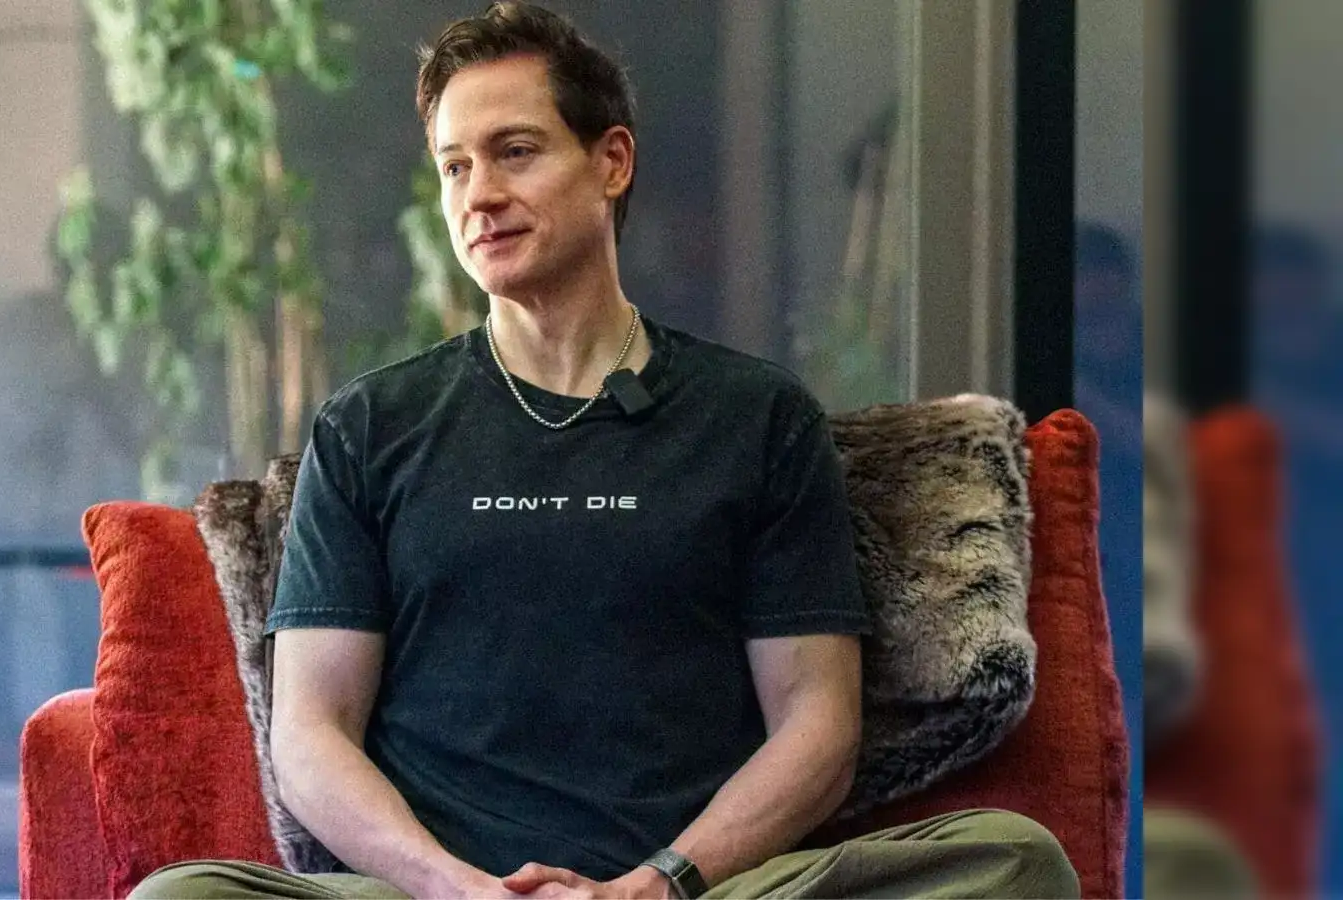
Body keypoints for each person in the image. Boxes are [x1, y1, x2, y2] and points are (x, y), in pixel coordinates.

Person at [132, 3, 1078, 898]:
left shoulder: (756, 418)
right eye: (455, 166)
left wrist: (660, 882)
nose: (479, 194)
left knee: (1011, 862)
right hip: (436, 893)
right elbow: (310, 735)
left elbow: (818, 728)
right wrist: (454, 886)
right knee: (180, 896)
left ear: (611, 161)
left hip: (698, 889)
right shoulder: (368, 428)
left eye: (515, 152)